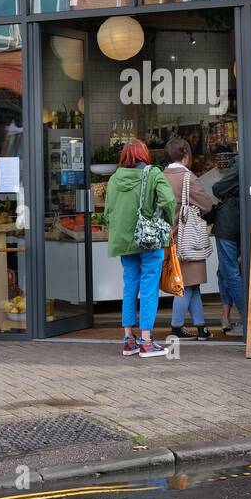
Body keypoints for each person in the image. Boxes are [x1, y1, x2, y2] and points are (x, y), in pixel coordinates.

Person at [104, 138, 175, 359]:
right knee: (149, 288)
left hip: (125, 241)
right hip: (149, 240)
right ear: (144, 155)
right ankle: (146, 341)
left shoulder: (115, 178)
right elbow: (169, 200)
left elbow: (107, 212)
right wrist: (167, 222)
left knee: (129, 286)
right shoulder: (153, 174)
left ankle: (129, 340)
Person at [163, 136, 215, 341]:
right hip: (188, 238)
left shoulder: (162, 176)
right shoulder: (188, 178)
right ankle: (176, 327)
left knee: (192, 283)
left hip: (171, 236)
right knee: (185, 285)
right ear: (185, 155)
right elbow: (207, 204)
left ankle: (201, 327)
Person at [211, 152, 245, 336]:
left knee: (230, 272)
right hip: (242, 224)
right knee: (225, 271)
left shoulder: (241, 162)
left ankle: (248, 318)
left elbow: (218, 188)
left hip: (228, 225)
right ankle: (225, 317)